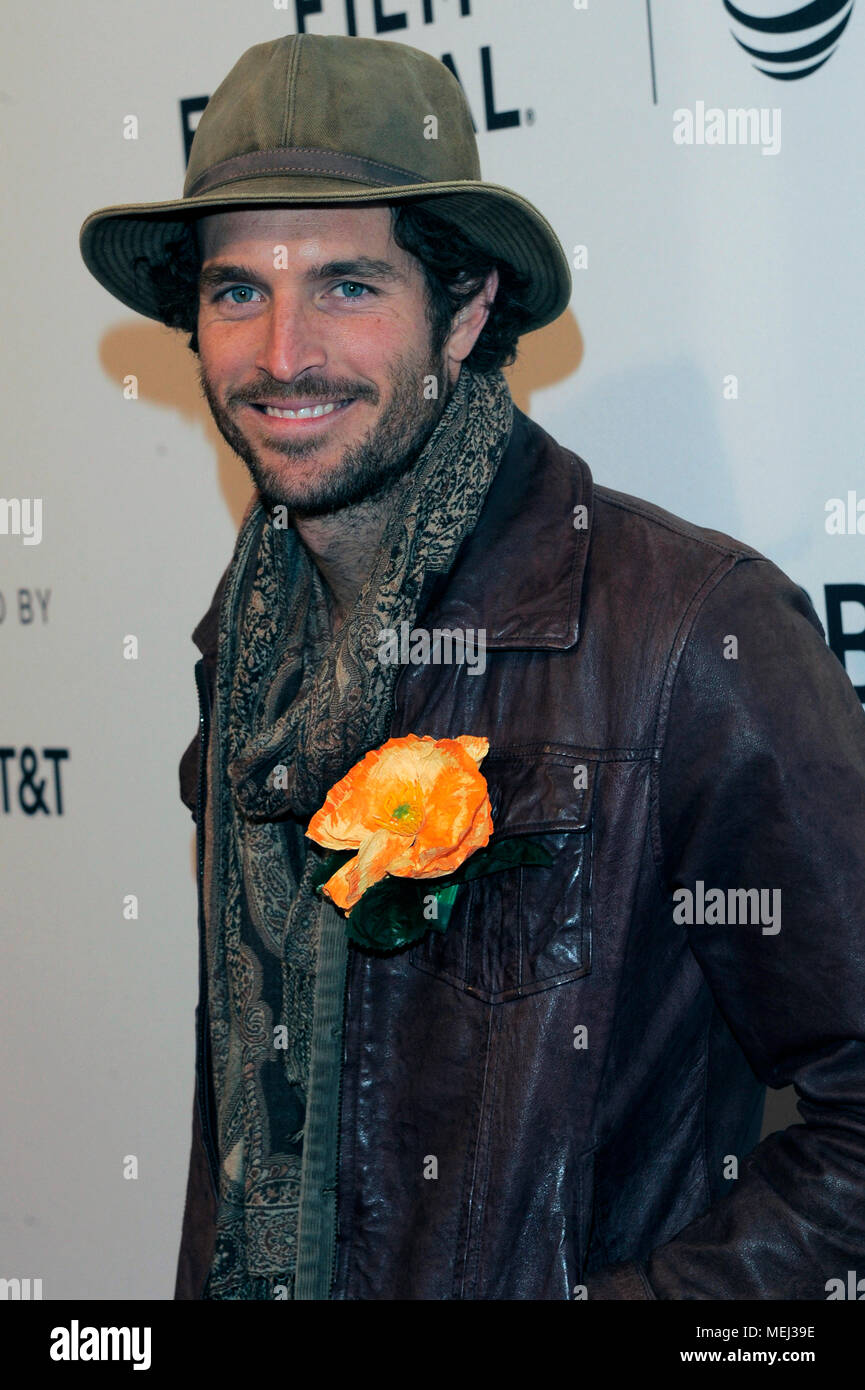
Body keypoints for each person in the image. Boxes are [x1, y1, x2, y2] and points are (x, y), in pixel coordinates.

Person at [79, 32, 865, 1301]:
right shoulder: (252, 644)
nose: (281, 354)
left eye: (345, 285)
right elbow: (253, 1121)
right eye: (237, 292)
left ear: (465, 308)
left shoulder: (686, 634)